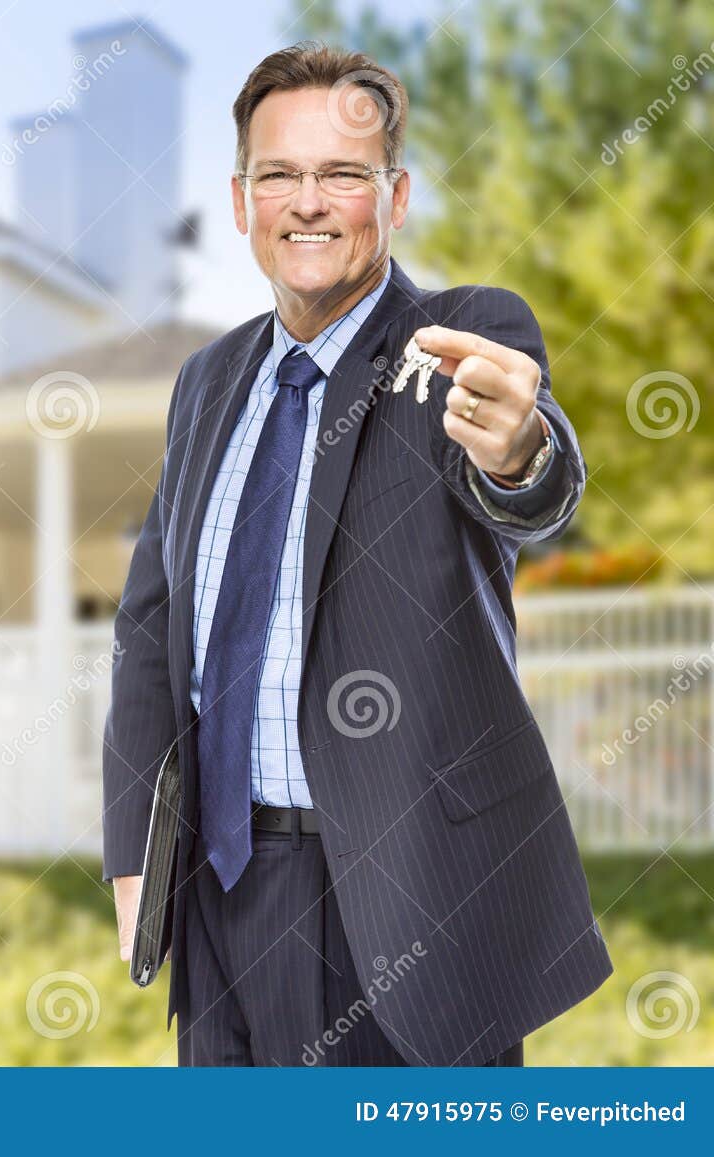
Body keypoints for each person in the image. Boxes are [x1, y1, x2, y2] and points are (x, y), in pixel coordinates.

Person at [101, 41, 611, 1067]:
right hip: (218, 899)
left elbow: (524, 483)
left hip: (400, 895)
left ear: (396, 193)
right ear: (241, 201)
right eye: (279, 174)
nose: (309, 203)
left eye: (343, 173)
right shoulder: (206, 379)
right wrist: (133, 859)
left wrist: (520, 449)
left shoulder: (457, 335)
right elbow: (150, 624)